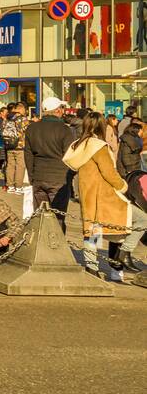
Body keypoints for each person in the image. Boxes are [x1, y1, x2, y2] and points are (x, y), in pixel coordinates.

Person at [62, 112, 147, 278]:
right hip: (106, 195)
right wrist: (123, 186)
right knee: (140, 220)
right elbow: (109, 173)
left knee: (92, 232)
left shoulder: (80, 145)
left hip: (88, 195)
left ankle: (92, 267)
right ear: (101, 125)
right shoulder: (98, 146)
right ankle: (124, 254)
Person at [25, 97, 75, 228]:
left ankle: (41, 245)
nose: (63, 111)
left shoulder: (32, 128)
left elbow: (28, 154)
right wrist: (70, 176)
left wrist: (32, 176)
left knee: (40, 216)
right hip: (59, 178)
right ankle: (56, 246)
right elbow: (69, 155)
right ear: (57, 110)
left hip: (39, 176)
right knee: (58, 218)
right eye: (62, 108)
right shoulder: (64, 129)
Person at [0, 102, 27, 193]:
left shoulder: (7, 118)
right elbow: (26, 130)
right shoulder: (22, 118)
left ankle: (10, 186)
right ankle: (18, 187)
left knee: (10, 165)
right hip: (19, 146)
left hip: (9, 145)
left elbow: (2, 130)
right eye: (24, 109)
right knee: (20, 166)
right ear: (20, 109)